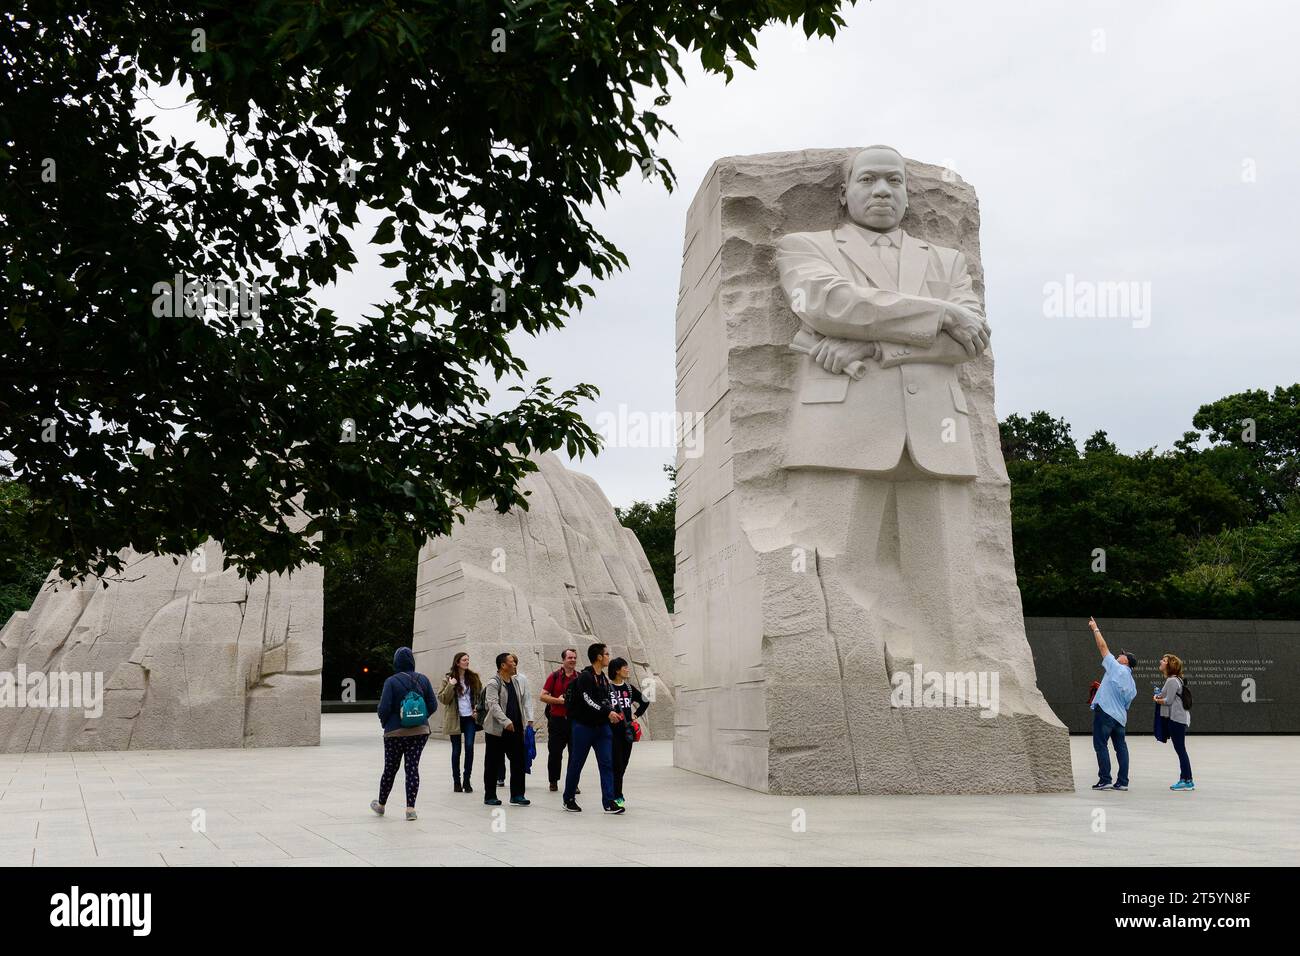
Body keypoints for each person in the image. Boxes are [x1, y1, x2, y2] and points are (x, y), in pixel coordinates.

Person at [371, 647, 438, 821]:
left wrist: (386, 723)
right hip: (419, 732)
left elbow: (384, 708)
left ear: (396, 662)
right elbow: (433, 704)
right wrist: (421, 718)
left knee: (390, 769)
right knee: (412, 768)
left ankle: (381, 804)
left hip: (394, 732)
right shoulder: (423, 679)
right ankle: (410, 809)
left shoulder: (391, 681)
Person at [562, 643, 624, 814]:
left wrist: (613, 711)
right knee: (577, 763)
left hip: (602, 728)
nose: (608, 657)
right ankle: (568, 799)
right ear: (598, 657)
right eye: (606, 654)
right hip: (583, 727)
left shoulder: (603, 678)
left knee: (606, 764)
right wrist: (607, 712)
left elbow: (605, 701)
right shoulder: (585, 677)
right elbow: (588, 701)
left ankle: (609, 802)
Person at [1087, 617, 1137, 791]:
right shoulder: (1132, 683)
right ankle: (1122, 782)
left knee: (1100, 744)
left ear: (1126, 661)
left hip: (1105, 713)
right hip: (1120, 718)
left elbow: (1103, 648)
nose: (1119, 654)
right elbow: (1125, 702)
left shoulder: (1117, 667)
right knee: (1121, 748)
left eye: (1122, 654)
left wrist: (1095, 628)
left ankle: (1105, 779)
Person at [482, 652, 532, 807]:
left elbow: (520, 703)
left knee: (518, 761)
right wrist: (505, 721)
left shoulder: (515, 682)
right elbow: (493, 705)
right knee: (492, 762)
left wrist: (522, 724)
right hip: (497, 730)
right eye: (512, 661)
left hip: (515, 728)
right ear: (503, 665)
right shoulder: (493, 683)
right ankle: (490, 795)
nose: (515, 664)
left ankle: (517, 795)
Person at [606, 657, 649, 808]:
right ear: (617, 670)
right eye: (625, 667)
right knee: (616, 765)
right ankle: (617, 796)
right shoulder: (607, 688)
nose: (627, 669)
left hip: (626, 733)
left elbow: (645, 701)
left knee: (623, 764)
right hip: (611, 733)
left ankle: (615, 790)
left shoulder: (629, 688)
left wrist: (635, 715)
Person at [437, 651, 482, 793]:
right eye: (464, 660)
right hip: (454, 718)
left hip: (470, 718)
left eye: (468, 659)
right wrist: (451, 685)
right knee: (456, 751)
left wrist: (477, 709)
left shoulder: (473, 678)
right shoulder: (448, 678)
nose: (467, 662)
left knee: (469, 747)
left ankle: (466, 780)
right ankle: (456, 782)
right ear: (457, 662)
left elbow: (481, 697)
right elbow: (443, 699)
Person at [539, 648, 581, 793]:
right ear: (563, 660)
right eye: (570, 657)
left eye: (575, 657)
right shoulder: (554, 676)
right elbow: (543, 696)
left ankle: (573, 783)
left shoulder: (580, 677)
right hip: (557, 721)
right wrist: (560, 701)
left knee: (575, 754)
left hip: (575, 721)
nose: (573, 660)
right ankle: (553, 781)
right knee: (555, 753)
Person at [1155, 653, 1194, 791]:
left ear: (1169, 665)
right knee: (1180, 749)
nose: (1161, 661)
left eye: (1164, 660)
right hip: (1179, 718)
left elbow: (1168, 701)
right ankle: (1186, 779)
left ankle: (1187, 780)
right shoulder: (1176, 679)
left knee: (1180, 750)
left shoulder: (1171, 681)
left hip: (1176, 718)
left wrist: (1157, 700)